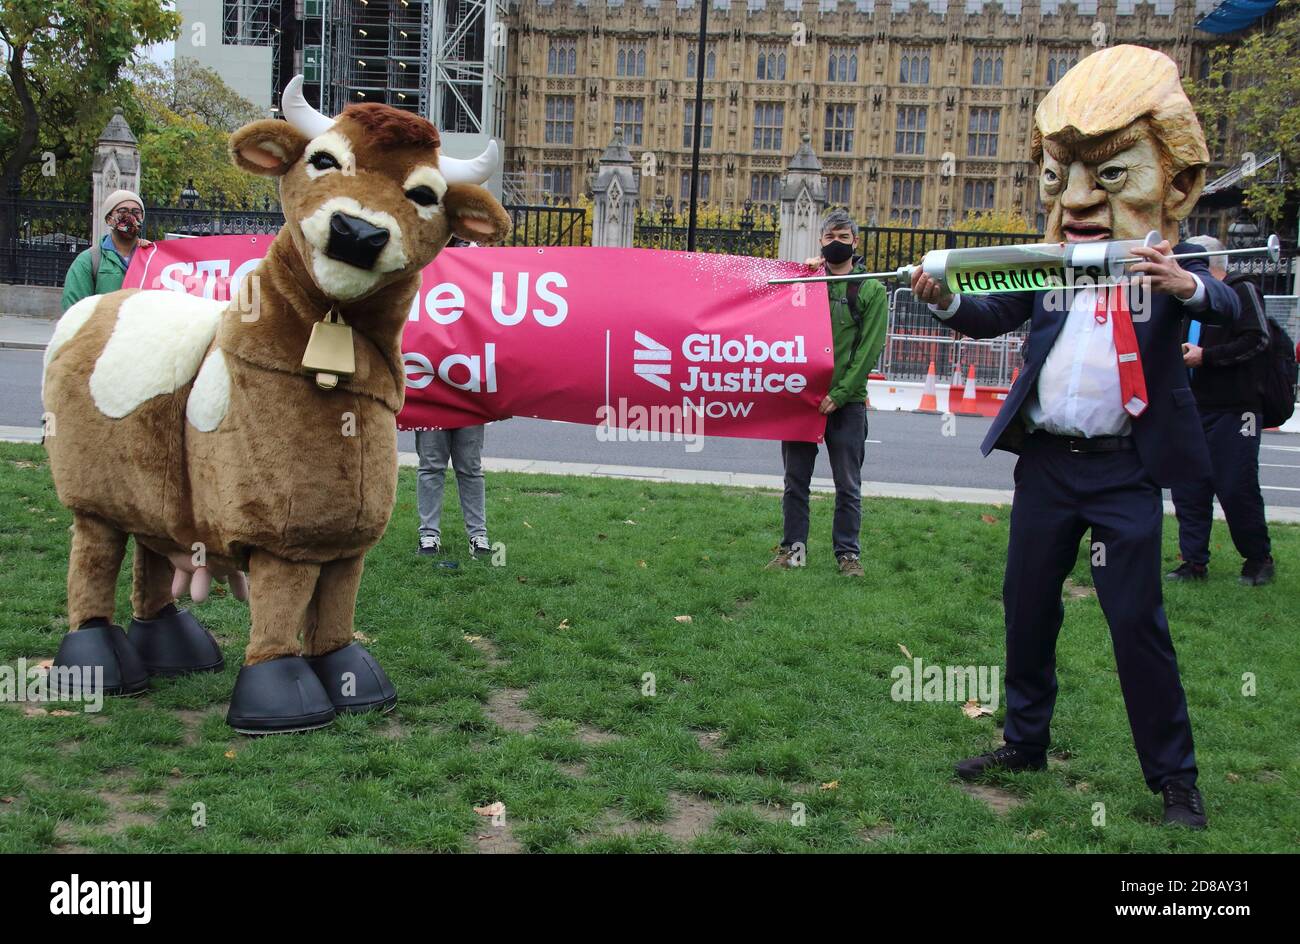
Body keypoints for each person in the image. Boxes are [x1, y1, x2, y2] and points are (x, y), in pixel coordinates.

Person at [910, 46, 1241, 829]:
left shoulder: (1163, 262)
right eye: (1062, 177)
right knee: (1027, 608)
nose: (1082, 198)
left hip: (1125, 473)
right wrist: (942, 301)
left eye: (1110, 175)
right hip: (1049, 469)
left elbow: (1234, 308)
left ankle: (1175, 779)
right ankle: (1024, 742)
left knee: (1137, 624)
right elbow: (990, 315)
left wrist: (1188, 286)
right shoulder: (1050, 268)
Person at [768, 208, 887, 577]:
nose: (836, 243)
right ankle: (793, 552)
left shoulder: (871, 289)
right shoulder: (807, 281)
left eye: (843, 237)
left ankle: (847, 555)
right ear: (820, 241)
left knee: (847, 484)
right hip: (804, 399)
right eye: (830, 237)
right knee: (795, 482)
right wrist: (803, 273)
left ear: (855, 242)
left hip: (847, 402)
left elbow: (868, 350)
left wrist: (841, 393)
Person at [1168, 236, 1274, 586]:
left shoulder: (1242, 290)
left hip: (1235, 408)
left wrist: (1207, 357)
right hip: (1191, 407)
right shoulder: (1183, 297)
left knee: (1235, 485)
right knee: (1189, 487)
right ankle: (1193, 562)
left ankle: (1258, 559)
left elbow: (1258, 339)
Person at [415, 236, 491, 559]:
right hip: (431, 384)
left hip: (467, 387)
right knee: (431, 464)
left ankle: (478, 535)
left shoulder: (482, 270)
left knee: (469, 466)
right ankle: (428, 535)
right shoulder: (425, 260)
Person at [61, 190, 152, 311]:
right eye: (122, 211)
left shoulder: (152, 258)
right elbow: (74, 310)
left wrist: (154, 253)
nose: (130, 217)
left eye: (136, 212)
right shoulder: (89, 261)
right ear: (109, 219)